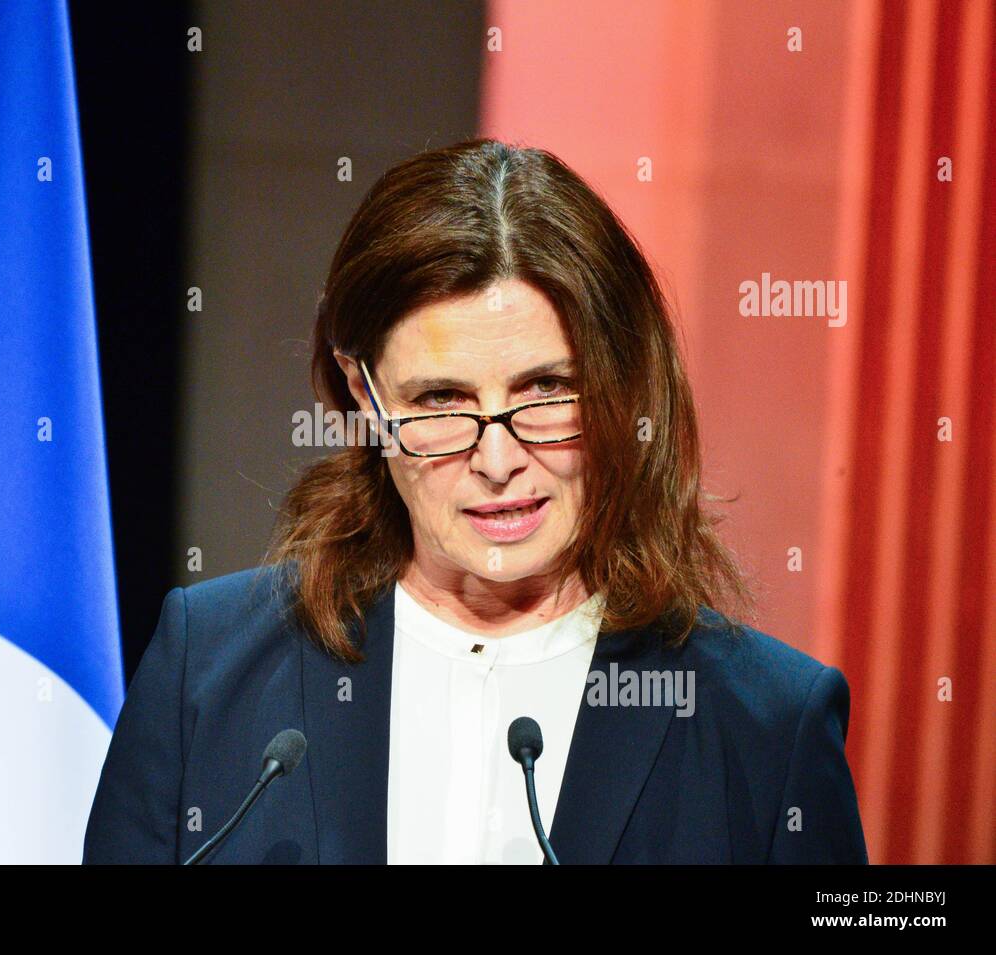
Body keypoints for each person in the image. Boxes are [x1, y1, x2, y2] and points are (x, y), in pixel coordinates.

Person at [83, 138, 869, 864]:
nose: (498, 461)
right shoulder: (208, 672)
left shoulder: (766, 727)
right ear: (365, 393)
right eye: (440, 401)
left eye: (546, 390)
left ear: (623, 382)